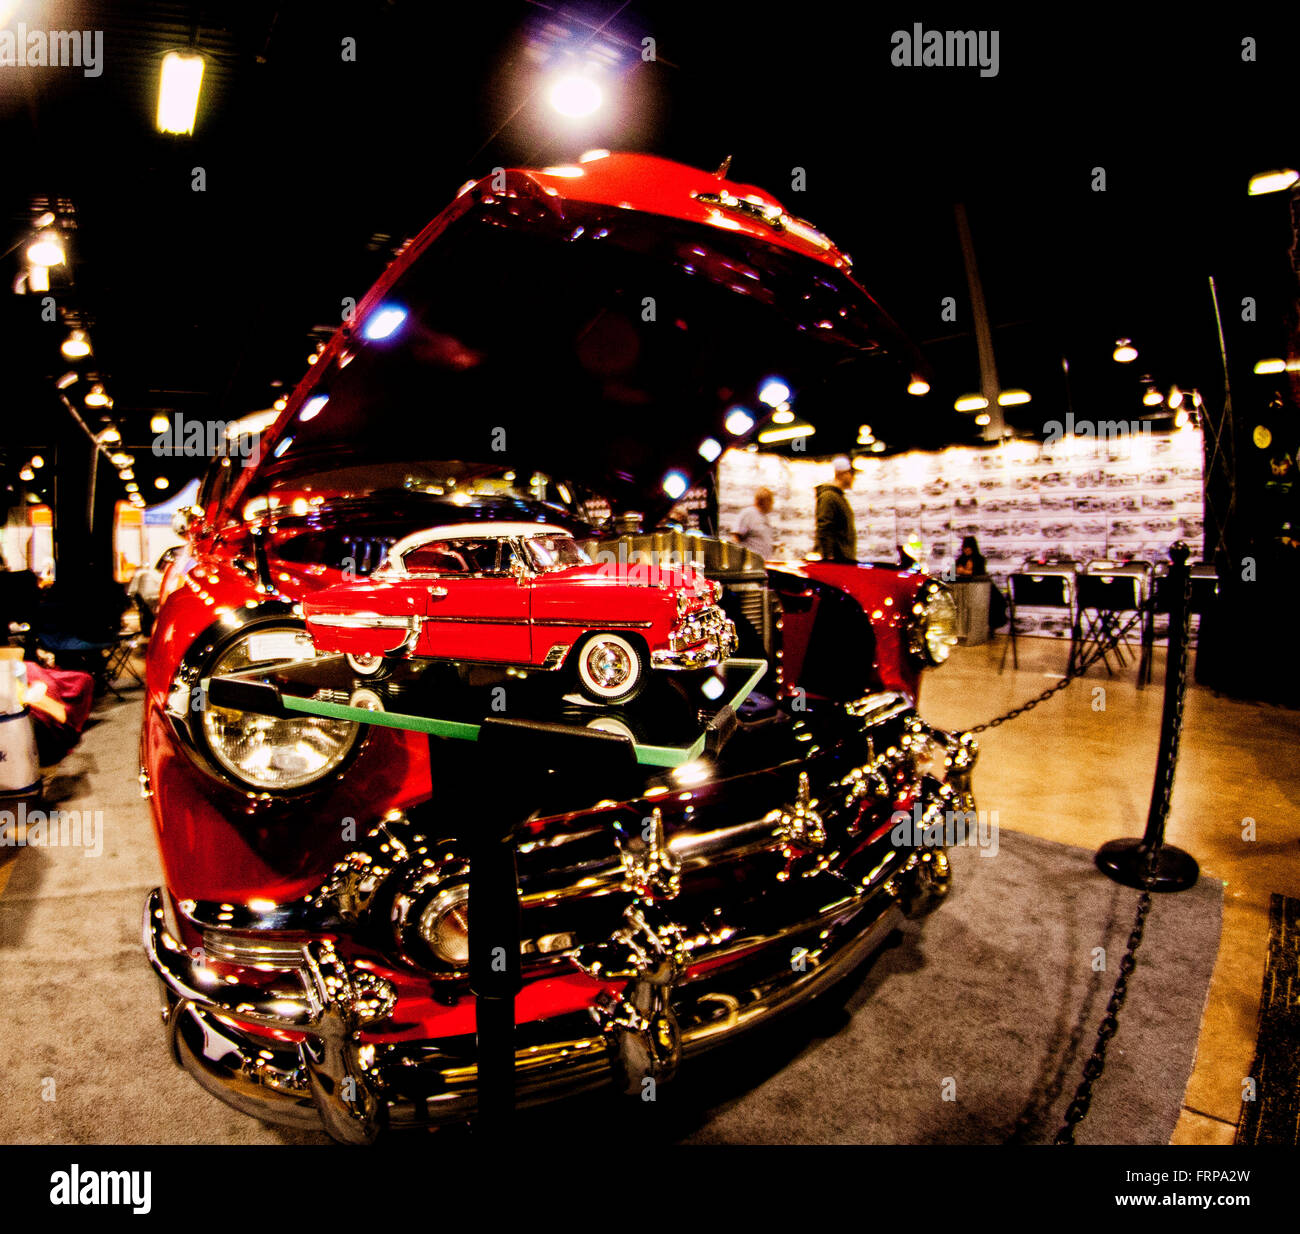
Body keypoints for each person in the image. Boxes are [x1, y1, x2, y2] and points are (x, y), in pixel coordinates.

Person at [813, 457, 857, 563]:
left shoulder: (838, 497)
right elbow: (824, 527)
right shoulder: (828, 496)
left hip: (843, 557)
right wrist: (828, 557)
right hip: (837, 560)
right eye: (852, 474)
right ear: (843, 474)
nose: (853, 478)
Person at [733, 487, 775, 558]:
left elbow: (760, 540)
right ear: (764, 501)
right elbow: (736, 538)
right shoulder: (748, 514)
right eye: (770, 501)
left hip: (763, 563)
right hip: (751, 563)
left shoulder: (764, 517)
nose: (772, 504)